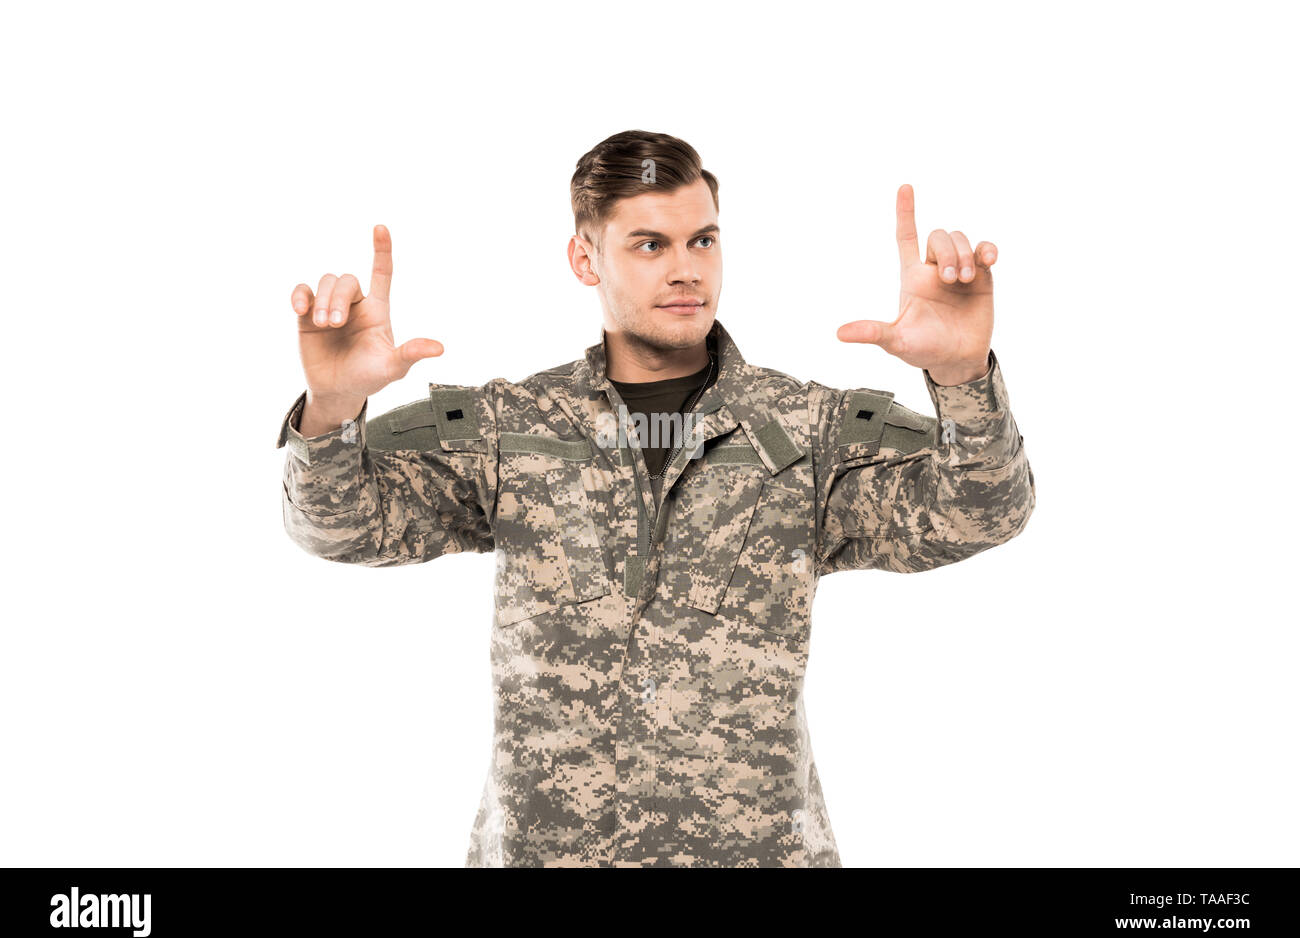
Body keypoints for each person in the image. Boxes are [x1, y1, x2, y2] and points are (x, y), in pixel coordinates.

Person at [275, 130, 1036, 867]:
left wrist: (964, 380)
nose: (686, 269)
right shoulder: (512, 428)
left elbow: (983, 510)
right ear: (584, 258)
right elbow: (340, 529)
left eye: (703, 240)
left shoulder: (807, 430)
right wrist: (333, 409)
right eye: (651, 244)